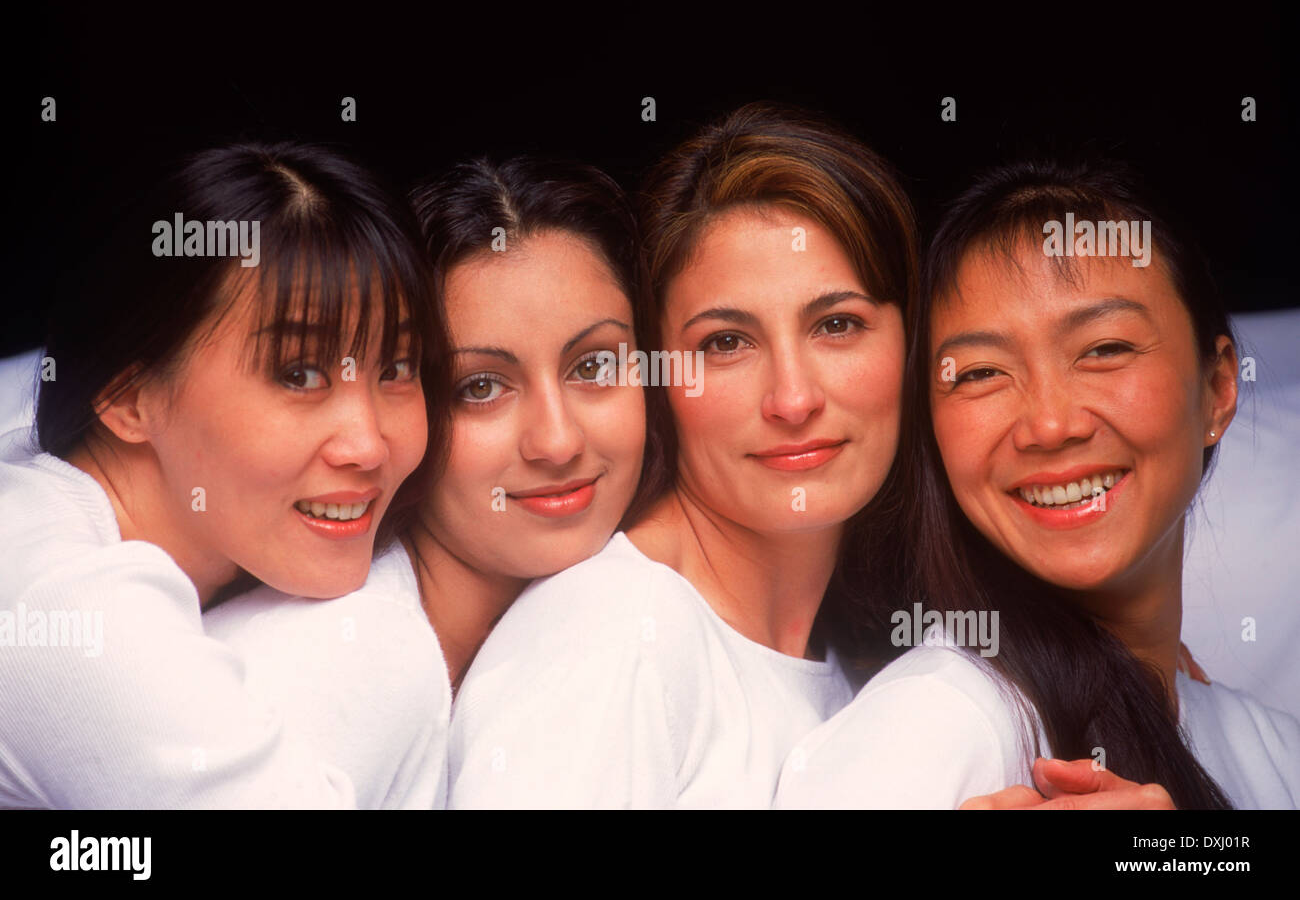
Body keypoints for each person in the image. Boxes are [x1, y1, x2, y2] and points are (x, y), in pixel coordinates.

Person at [774, 158, 1300, 809]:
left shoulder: (1277, 752)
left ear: (1219, 388)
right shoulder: (936, 721)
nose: (1049, 425)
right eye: (979, 374)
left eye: (1104, 349)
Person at [447, 102, 917, 807]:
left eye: (837, 324)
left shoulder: (854, 677)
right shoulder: (615, 629)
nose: (792, 399)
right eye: (725, 343)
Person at [0, 141, 439, 808]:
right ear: (127, 398)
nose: (368, 445)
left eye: (397, 368)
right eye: (298, 374)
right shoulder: (72, 606)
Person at [204, 155, 650, 807]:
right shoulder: (355, 657)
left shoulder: (532, 645)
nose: (557, 441)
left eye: (593, 367)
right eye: (481, 387)